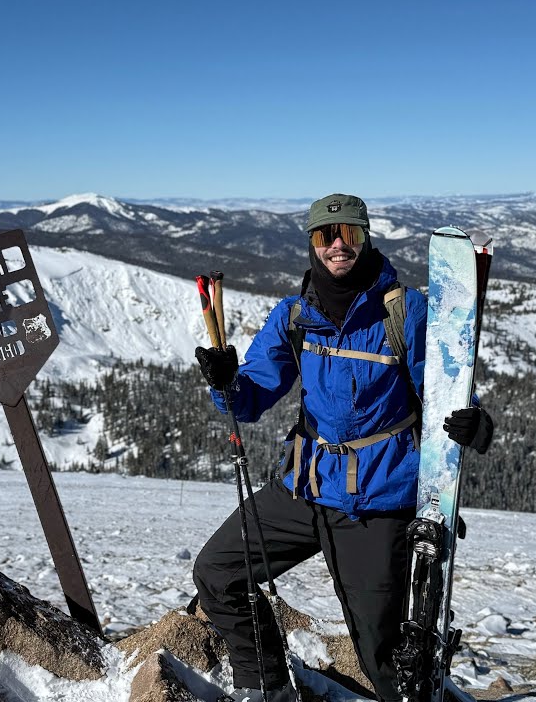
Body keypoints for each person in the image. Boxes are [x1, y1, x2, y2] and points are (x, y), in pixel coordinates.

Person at [192, 193, 494, 702]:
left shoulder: (404, 311)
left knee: (383, 655)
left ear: (365, 236)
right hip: (305, 486)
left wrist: (474, 424)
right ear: (312, 244)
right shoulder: (295, 316)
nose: (338, 245)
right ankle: (264, 686)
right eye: (325, 236)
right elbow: (249, 398)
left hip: (375, 503)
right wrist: (226, 383)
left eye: (349, 234)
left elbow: (449, 387)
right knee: (219, 573)